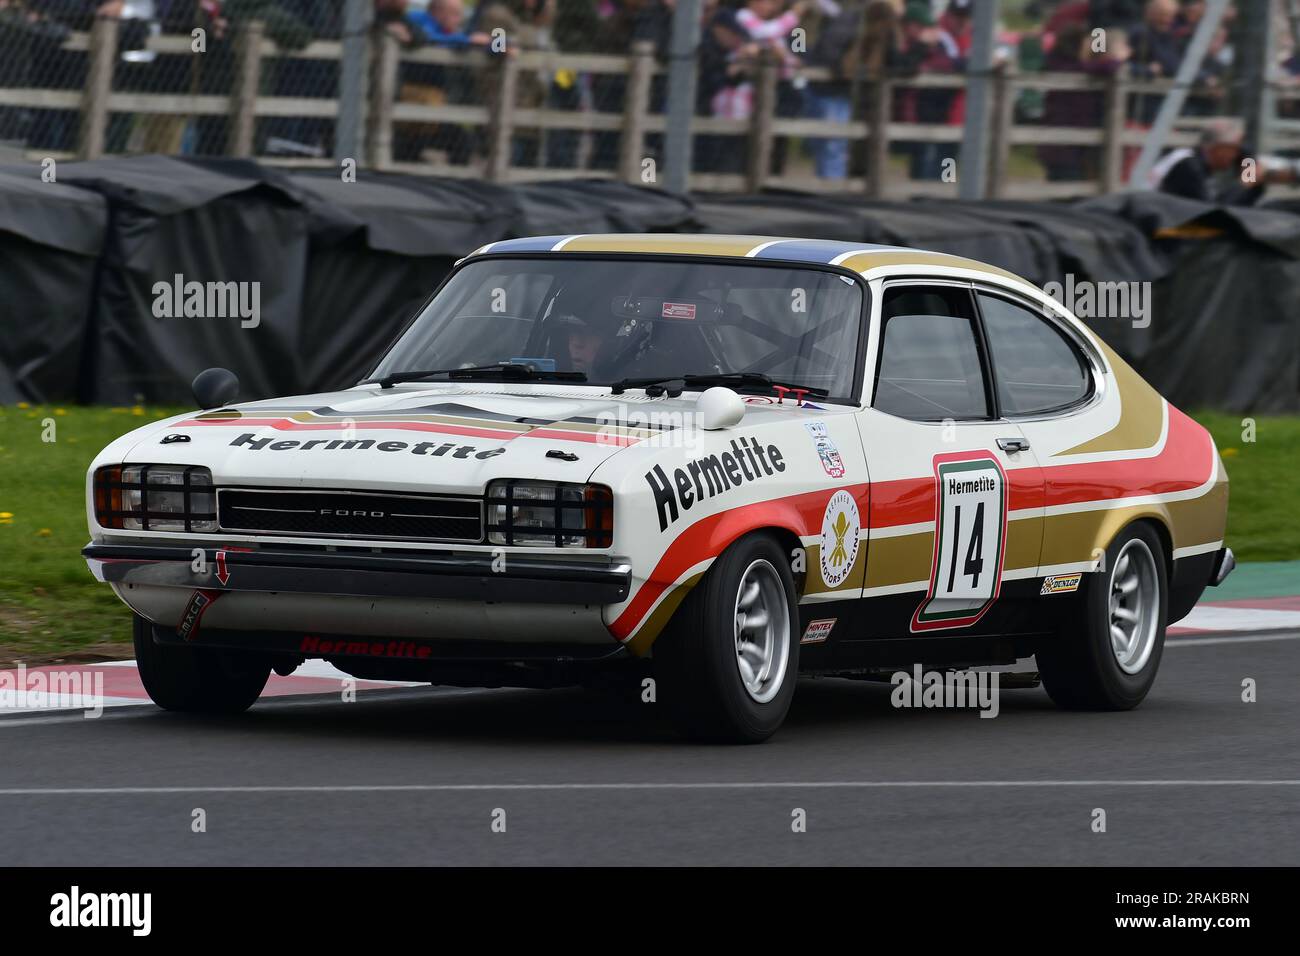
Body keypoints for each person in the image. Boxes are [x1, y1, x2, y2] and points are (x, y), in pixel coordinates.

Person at [1149, 118, 1289, 205]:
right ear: (1218, 147)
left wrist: (1256, 180)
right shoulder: (1187, 164)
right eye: (1233, 149)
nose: (1235, 156)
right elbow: (1213, 213)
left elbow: (1239, 207)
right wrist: (1245, 182)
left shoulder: (1200, 164)